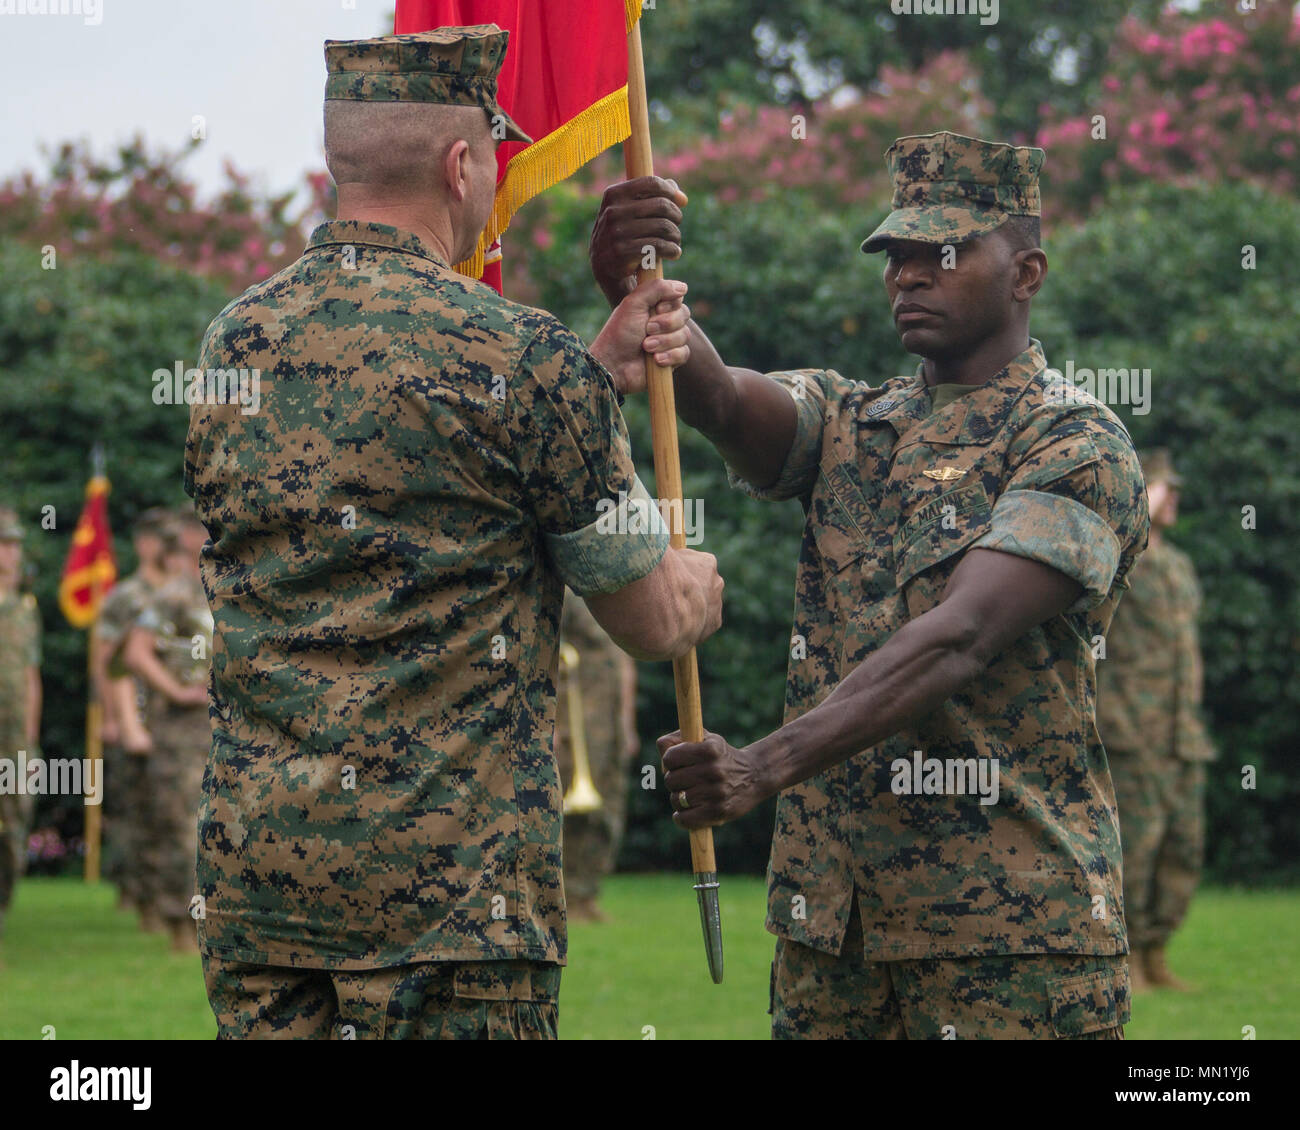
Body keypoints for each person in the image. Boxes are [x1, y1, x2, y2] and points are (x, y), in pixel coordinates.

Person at [185, 25, 722, 1039]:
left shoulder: (232, 342)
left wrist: (585, 385)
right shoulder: (521, 356)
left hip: (265, 887)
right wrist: (699, 576)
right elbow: (652, 618)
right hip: (454, 898)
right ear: (462, 163)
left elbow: (378, 454)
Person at [591, 131, 1149, 1039]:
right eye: (897, 254)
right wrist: (633, 285)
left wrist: (759, 766)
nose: (909, 276)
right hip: (830, 938)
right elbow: (723, 399)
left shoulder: (1074, 443)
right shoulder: (854, 420)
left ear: (1027, 273)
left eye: (945, 253)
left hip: (1004, 942)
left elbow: (961, 636)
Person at [1096, 449, 1214, 993]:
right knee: (1134, 850)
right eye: (1165, 487)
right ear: (1139, 489)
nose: (1174, 499)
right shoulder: (1117, 558)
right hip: (1130, 729)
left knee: (1183, 846)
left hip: (1180, 733)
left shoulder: (1179, 565)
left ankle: (1158, 950)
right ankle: (1127, 962)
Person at [123, 513, 212, 953]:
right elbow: (137, 653)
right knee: (182, 825)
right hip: (181, 733)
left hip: (228, 730)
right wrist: (176, 691)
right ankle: (182, 925)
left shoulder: (234, 590)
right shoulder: (175, 594)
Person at [95, 507, 174, 920]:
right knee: (136, 808)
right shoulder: (126, 596)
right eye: (160, 538)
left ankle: (166, 898)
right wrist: (113, 718)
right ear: (144, 543)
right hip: (135, 712)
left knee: (170, 809)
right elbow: (107, 661)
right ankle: (140, 893)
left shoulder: (184, 590)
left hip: (175, 717)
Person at [554, 589, 639, 922]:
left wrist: (627, 724)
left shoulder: (620, 591)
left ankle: (587, 892)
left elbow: (624, 661)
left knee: (608, 803)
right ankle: (564, 895)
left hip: (609, 717)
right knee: (568, 807)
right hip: (575, 714)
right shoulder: (568, 593)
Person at [0, 506, 43, 943]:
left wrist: (30, 744)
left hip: (13, 741)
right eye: (2, 543)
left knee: (14, 825)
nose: (8, 553)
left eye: (13, 544)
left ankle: (3, 900)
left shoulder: (25, 609)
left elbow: (32, 678)